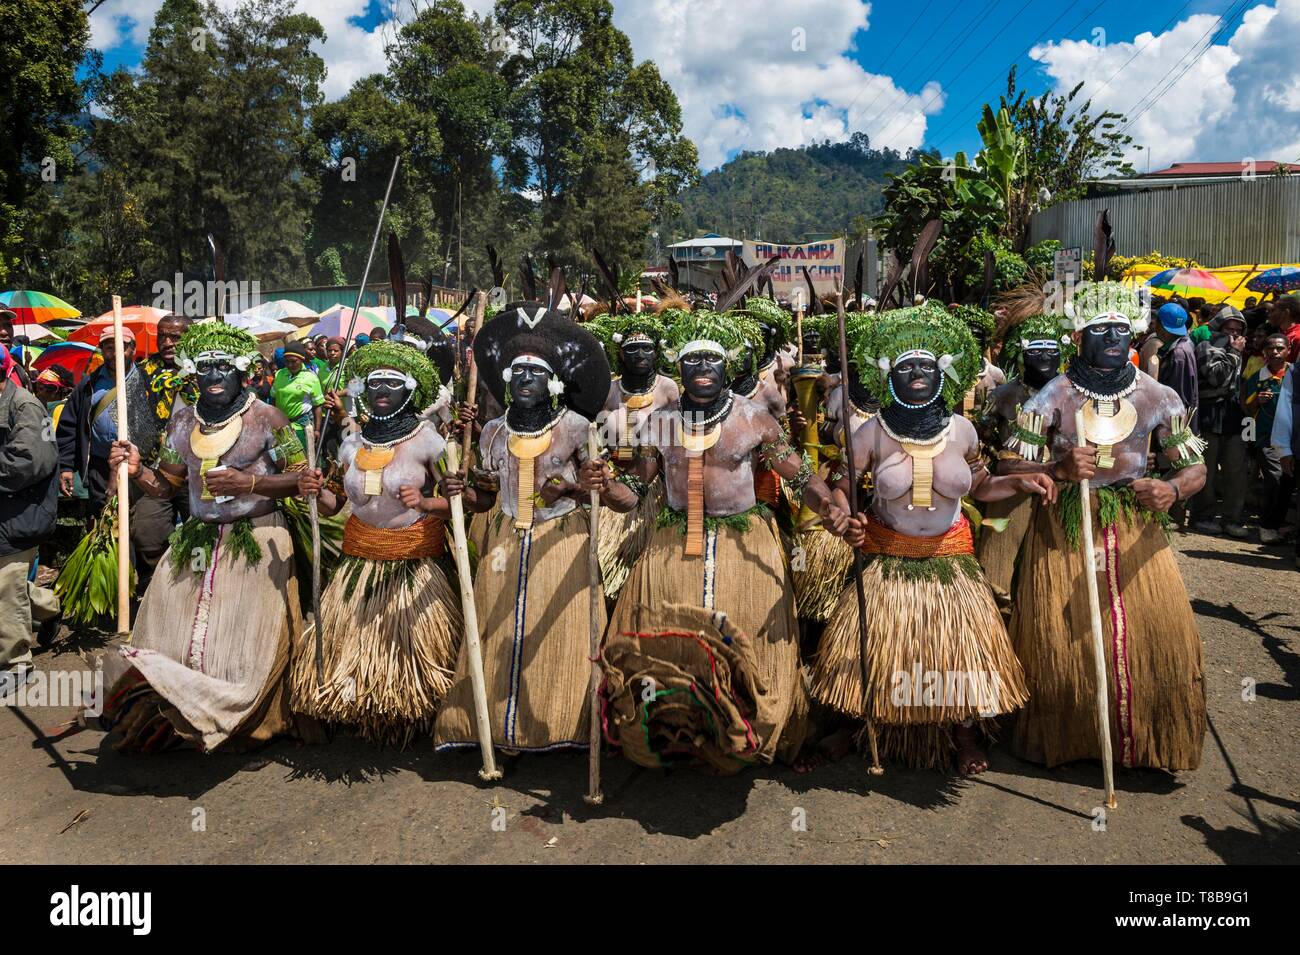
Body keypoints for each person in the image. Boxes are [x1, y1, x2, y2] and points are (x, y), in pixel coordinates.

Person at [811, 305, 1052, 774]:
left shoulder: (962, 431)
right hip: (887, 558)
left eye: (925, 365)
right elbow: (841, 485)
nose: (916, 373)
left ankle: (962, 732)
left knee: (959, 651)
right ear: (889, 376)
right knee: (868, 648)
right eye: (905, 367)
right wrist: (841, 515)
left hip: (950, 558)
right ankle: (852, 725)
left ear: (942, 374)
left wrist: (1021, 482)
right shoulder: (870, 433)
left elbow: (981, 487)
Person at [607, 310, 849, 769]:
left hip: (744, 545)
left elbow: (798, 479)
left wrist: (830, 507)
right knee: (671, 640)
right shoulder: (658, 424)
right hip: (672, 543)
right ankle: (682, 729)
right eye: (693, 362)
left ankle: (750, 728)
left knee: (752, 641)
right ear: (679, 369)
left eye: (711, 362)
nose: (702, 371)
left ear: (725, 368)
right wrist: (602, 487)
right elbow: (631, 495)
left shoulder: (754, 419)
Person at [1000, 282, 1208, 771]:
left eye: (1121, 329)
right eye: (1100, 330)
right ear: (1077, 338)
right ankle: (1070, 737)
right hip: (1066, 524)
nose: (1113, 337)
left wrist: (1172, 490)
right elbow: (1008, 466)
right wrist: (1057, 470)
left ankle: (1145, 742)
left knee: (1153, 634)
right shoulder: (1055, 395)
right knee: (1063, 638)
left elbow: (1195, 468)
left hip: (1137, 523)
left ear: (1133, 334)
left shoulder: (1159, 396)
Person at [95, 323, 320, 752]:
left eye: (222, 367)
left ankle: (249, 717)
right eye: (204, 369)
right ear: (192, 374)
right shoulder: (182, 423)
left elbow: (304, 480)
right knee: (173, 629)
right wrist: (137, 469)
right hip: (197, 540)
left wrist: (249, 485)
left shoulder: (267, 418)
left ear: (241, 372)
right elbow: (166, 487)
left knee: (244, 638)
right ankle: (186, 711)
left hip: (257, 538)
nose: (213, 377)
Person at [434, 306, 621, 755]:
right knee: (499, 632)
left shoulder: (578, 429)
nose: (523, 379)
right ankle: (496, 726)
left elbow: (621, 499)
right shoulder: (493, 433)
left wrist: (580, 489)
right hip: (504, 543)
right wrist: (458, 491)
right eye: (516, 371)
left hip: (561, 542)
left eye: (534, 372)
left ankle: (562, 721)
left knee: (557, 634)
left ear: (553, 383)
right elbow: (485, 498)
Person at [293, 341, 463, 746]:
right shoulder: (352, 443)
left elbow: (457, 503)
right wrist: (315, 492)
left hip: (414, 568)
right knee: (352, 646)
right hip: (358, 565)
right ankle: (361, 707)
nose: (382, 390)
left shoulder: (429, 441)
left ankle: (411, 712)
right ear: (363, 391)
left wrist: (425, 502)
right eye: (374, 383)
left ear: (409, 390)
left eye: (392, 383)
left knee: (408, 653)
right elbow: (337, 504)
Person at [978, 311, 1074, 599]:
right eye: (1036, 351)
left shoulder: (1074, 394)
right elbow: (983, 434)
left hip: (1061, 487)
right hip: (1012, 485)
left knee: (1053, 568)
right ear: (1022, 354)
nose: (1044, 357)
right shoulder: (1003, 394)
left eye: (1051, 351)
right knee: (999, 563)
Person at [587, 311, 678, 600]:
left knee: (649, 564)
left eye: (647, 348)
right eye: (632, 349)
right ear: (621, 355)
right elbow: (598, 432)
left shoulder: (668, 388)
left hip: (656, 488)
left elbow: (675, 436)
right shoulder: (610, 390)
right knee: (608, 561)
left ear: (656, 353)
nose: (640, 354)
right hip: (614, 484)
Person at [0, 366, 61, 696]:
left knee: (4, 588)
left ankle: (15, 665)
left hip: (17, 515)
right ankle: (49, 606)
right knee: (10, 587)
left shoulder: (25, 405)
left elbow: (31, 460)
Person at [56, 326, 139, 513]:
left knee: (138, 522)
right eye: (109, 348)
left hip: (137, 465)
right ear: (102, 350)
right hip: (99, 465)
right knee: (102, 516)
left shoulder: (146, 381)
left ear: (133, 349)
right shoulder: (88, 384)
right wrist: (66, 466)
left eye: (122, 347)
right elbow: (68, 426)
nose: (115, 353)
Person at [1191, 307, 1248, 537]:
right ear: (1218, 327)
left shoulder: (1240, 349)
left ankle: (1232, 519)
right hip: (1209, 414)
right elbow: (1216, 377)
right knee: (1207, 467)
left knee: (1236, 469)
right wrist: (1233, 353)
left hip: (1233, 415)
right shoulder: (1206, 347)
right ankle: (1203, 516)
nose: (1233, 334)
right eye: (1229, 328)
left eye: (1238, 330)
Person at [1245, 332, 1291, 543]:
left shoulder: (1294, 374)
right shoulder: (1257, 378)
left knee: (1288, 482)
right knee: (1276, 477)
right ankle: (1267, 526)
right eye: (1270, 348)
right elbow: (1246, 409)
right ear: (1264, 352)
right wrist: (1258, 402)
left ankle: (1278, 525)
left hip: (1293, 440)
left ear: (1288, 351)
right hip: (1266, 439)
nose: (1275, 352)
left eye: (1279, 348)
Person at [1153, 302, 1199, 434]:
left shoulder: (1178, 354)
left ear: (1161, 327)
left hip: (1173, 428)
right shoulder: (1183, 345)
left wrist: (1172, 435)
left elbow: (1177, 399)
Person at [270, 341, 324, 448]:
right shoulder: (280, 374)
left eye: (294, 361)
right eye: (287, 361)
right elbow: (273, 398)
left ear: (302, 359)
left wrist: (317, 430)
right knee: (285, 460)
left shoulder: (311, 378)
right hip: (281, 425)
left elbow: (318, 406)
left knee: (304, 459)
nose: (290, 365)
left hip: (301, 426)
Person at [1269, 295, 1300, 363]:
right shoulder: (1281, 334)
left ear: (1286, 313)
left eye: (1273, 310)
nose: (1269, 315)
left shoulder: (1297, 337)